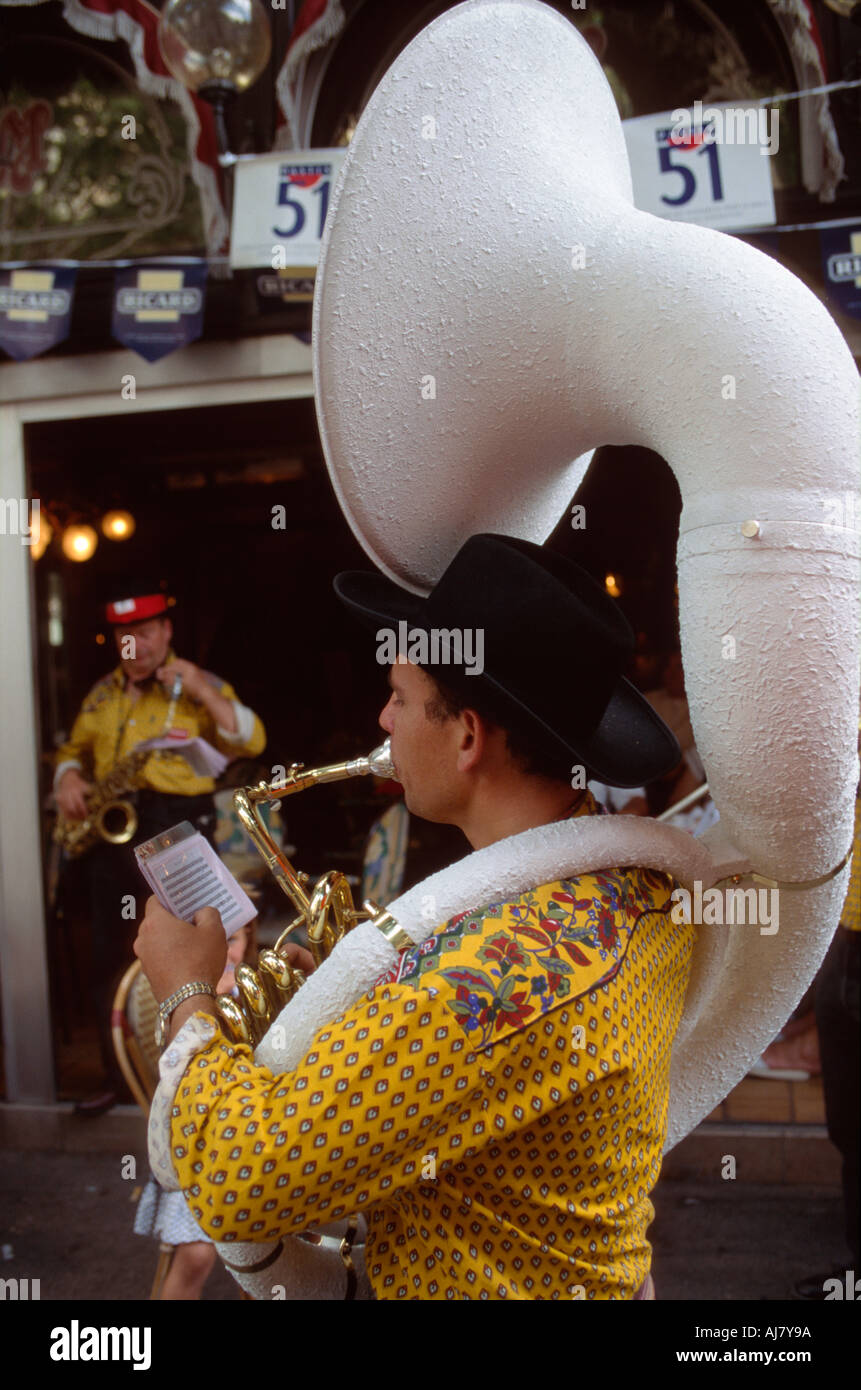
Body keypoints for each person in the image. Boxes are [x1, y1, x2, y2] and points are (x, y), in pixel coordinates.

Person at [135, 535, 693, 1300]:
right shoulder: (636, 886)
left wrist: (185, 994)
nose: (382, 718)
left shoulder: (483, 981)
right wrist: (352, 1015)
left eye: (397, 696)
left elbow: (238, 1186)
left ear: (467, 735)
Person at [54, 579, 266, 1116]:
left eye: (144, 633)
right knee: (110, 954)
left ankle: (201, 1084)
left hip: (176, 828)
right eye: (124, 637)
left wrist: (199, 687)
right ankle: (121, 1077)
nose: (135, 646)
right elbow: (73, 748)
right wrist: (68, 777)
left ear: (165, 631)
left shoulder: (194, 681)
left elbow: (251, 739)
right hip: (114, 830)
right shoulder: (102, 693)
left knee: (198, 952)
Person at [134, 925, 250, 1299]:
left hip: (254, 1147)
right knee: (196, 1256)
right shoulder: (174, 1002)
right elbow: (172, 1079)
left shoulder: (251, 994)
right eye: (214, 941)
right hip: (195, 1152)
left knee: (269, 1257)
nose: (223, 952)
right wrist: (197, 1000)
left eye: (232, 940)